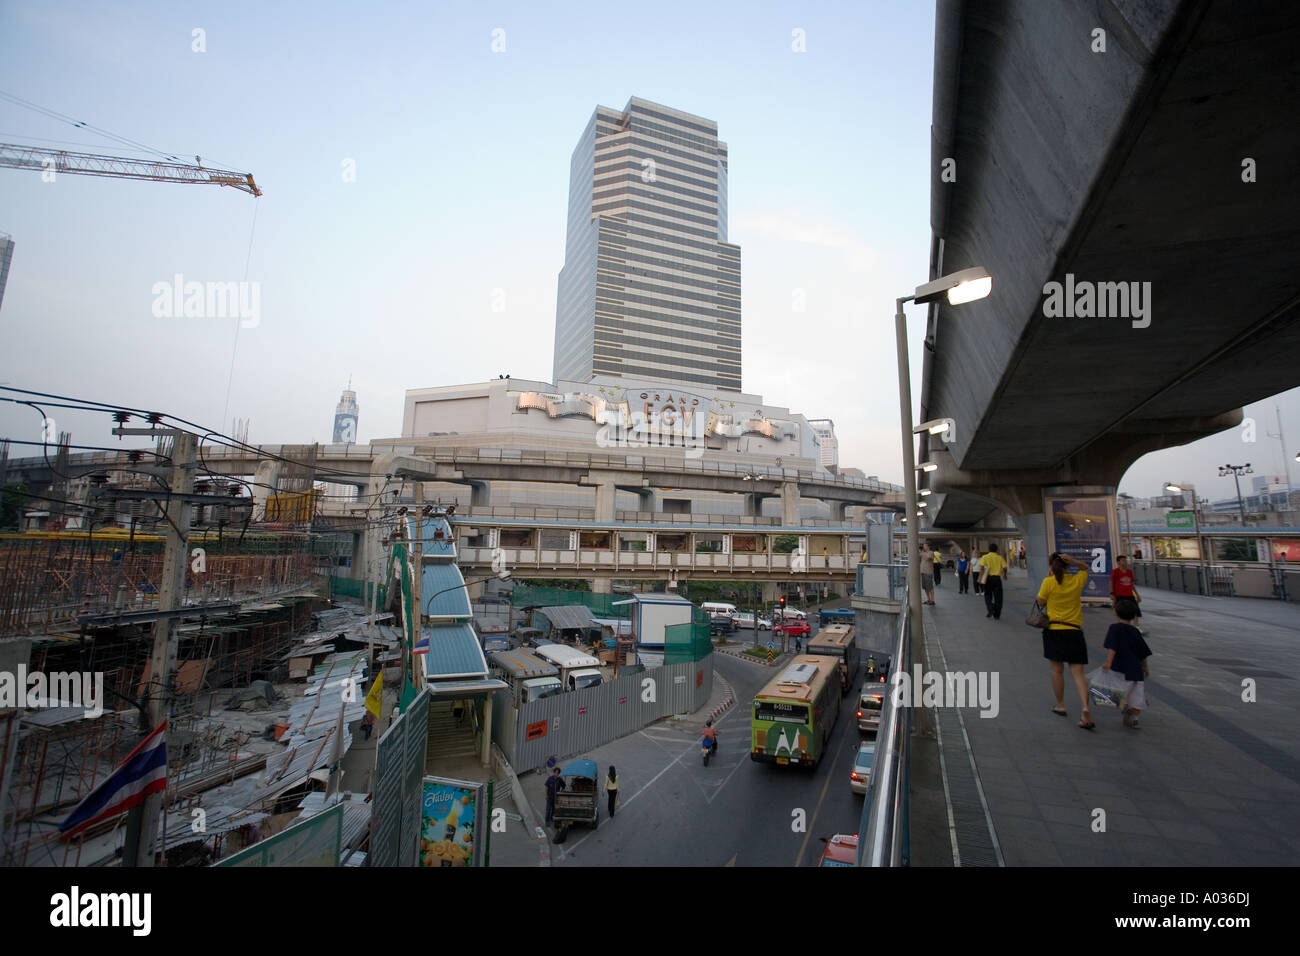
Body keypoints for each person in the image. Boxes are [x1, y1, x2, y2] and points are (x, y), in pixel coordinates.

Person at [1038, 552, 1094, 729]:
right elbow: (1086, 568)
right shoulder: (1076, 581)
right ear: (1067, 566)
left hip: (1054, 630)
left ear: (1051, 566)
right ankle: (1085, 708)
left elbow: (1040, 602)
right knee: (1078, 673)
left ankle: (1060, 704)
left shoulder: (1049, 582)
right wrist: (1074, 560)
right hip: (1074, 631)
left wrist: (1049, 579)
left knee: (1057, 670)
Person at [1103, 597, 1152, 729]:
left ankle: (1124, 706)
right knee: (1137, 696)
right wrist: (1146, 668)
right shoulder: (1135, 631)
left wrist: (1108, 662)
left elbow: (1112, 647)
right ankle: (1134, 718)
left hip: (1121, 669)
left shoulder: (1114, 628)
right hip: (1136, 671)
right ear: (1133, 615)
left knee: (1119, 693)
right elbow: (1143, 653)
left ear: (1116, 613)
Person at [1109, 554, 1142, 632]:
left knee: (1135, 611)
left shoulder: (1129, 572)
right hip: (1119, 595)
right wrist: (1112, 593)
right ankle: (1122, 627)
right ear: (1118, 562)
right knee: (1120, 612)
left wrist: (1137, 595)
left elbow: (1132, 585)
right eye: (1123, 560)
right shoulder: (1115, 572)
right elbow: (1111, 582)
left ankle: (1136, 627)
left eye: (1125, 560)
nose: (1125, 562)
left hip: (1129, 595)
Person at [979, 544, 1008, 619]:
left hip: (988, 578)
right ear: (996, 549)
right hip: (997, 579)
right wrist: (1005, 575)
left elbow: (982, 567)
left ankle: (990, 608)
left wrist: (982, 577)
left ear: (989, 549)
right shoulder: (999, 557)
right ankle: (997, 615)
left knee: (987, 595)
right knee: (998, 597)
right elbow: (1005, 567)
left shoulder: (985, 557)